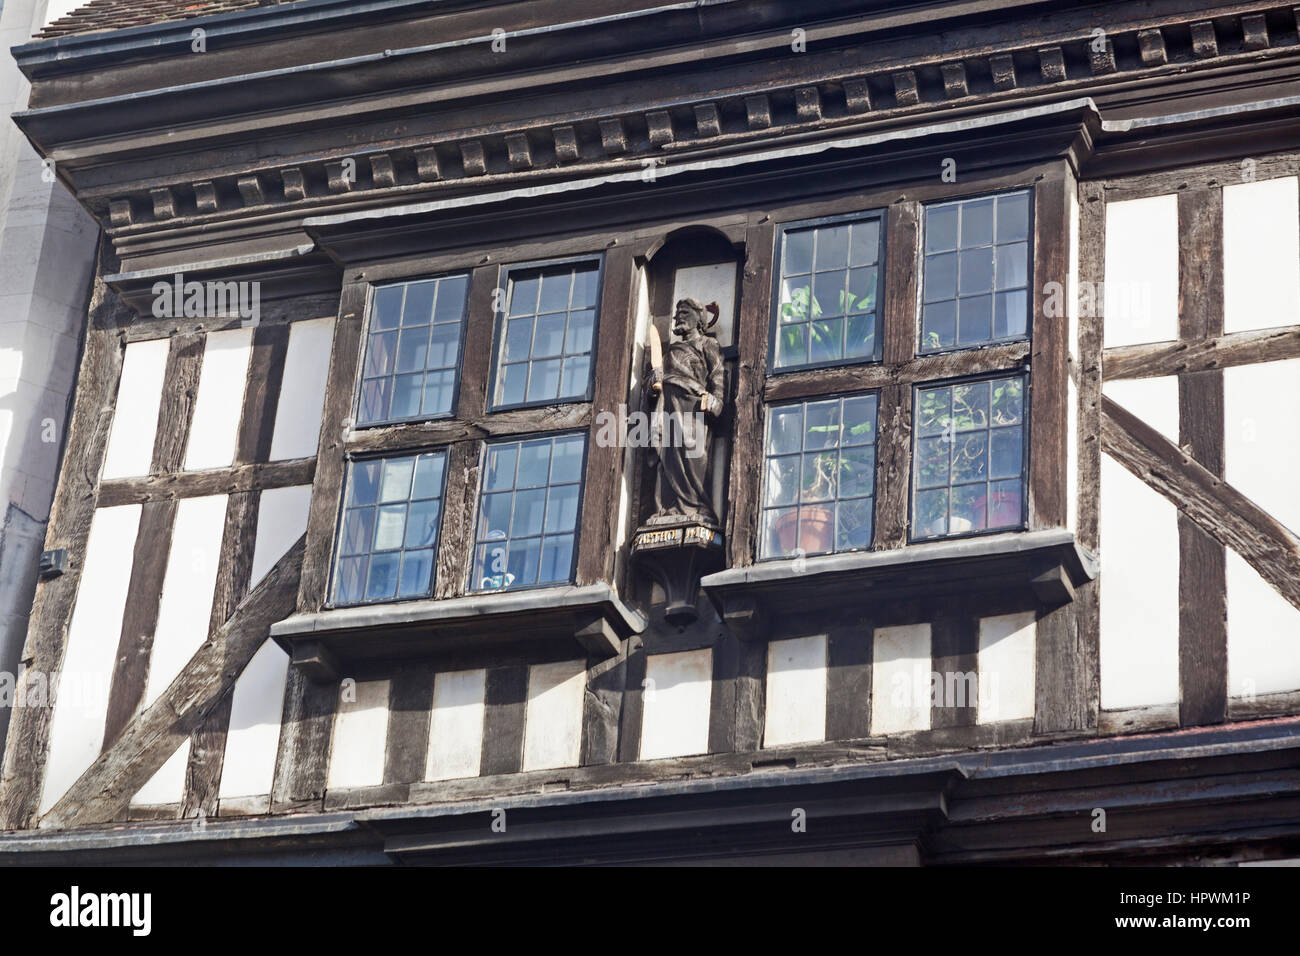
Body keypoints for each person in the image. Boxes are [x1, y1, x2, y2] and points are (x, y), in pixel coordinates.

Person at [648, 297, 725, 525]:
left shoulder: (708, 345)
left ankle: (697, 504)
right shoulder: (671, 351)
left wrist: (716, 400)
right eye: (677, 313)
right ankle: (668, 509)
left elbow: (718, 376)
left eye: (685, 313)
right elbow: (653, 382)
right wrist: (653, 382)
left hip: (693, 408)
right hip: (668, 406)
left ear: (698, 318)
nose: (678, 317)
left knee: (695, 455)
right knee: (668, 456)